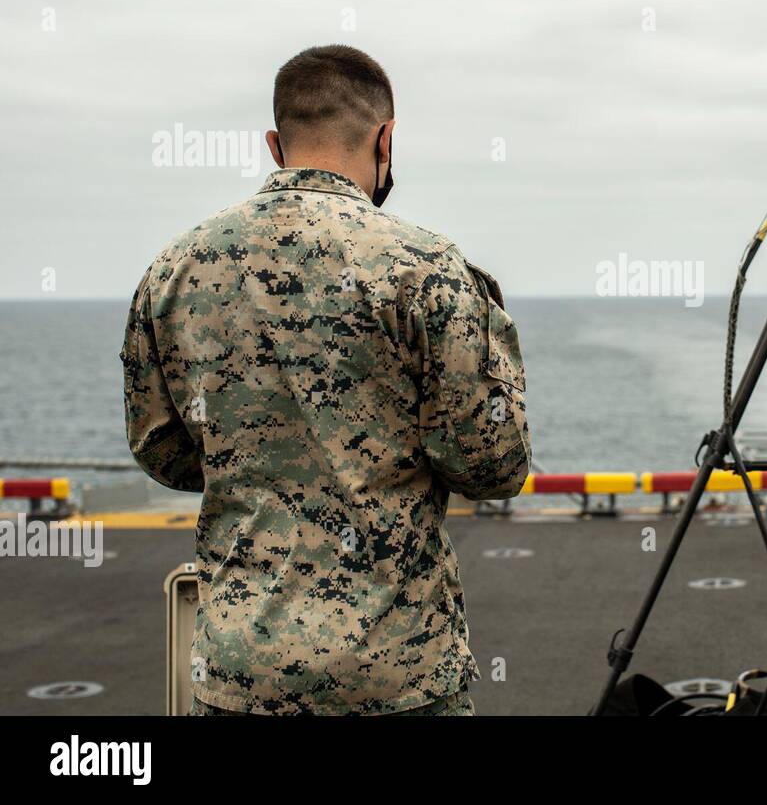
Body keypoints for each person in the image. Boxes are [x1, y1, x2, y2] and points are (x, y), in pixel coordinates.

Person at [120, 45, 530, 715]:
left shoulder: (177, 269)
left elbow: (162, 453)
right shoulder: (426, 267)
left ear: (275, 144)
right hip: (398, 677)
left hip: (239, 672)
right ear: (386, 138)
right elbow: (494, 468)